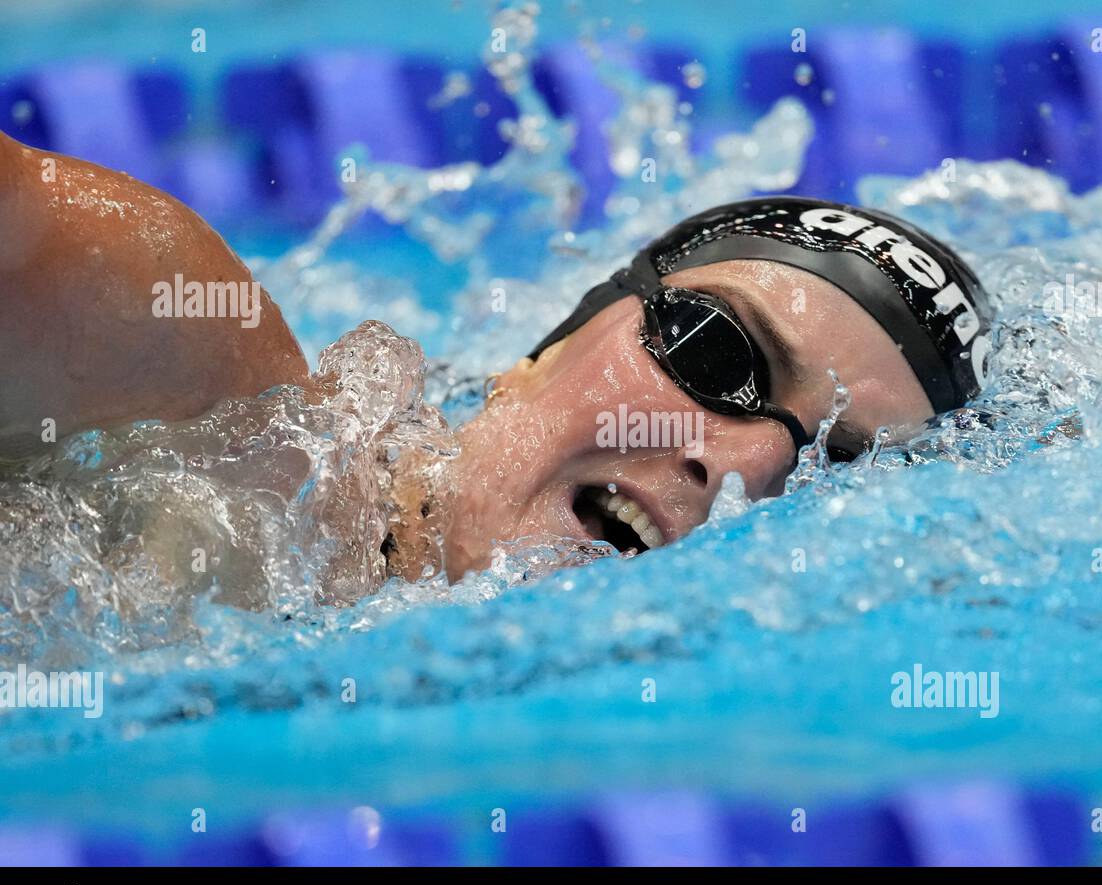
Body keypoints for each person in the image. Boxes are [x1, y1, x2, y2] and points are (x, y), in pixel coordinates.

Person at [0, 130, 991, 588]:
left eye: (835, 461)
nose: (748, 465)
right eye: (712, 348)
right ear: (546, 347)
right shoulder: (176, 365)